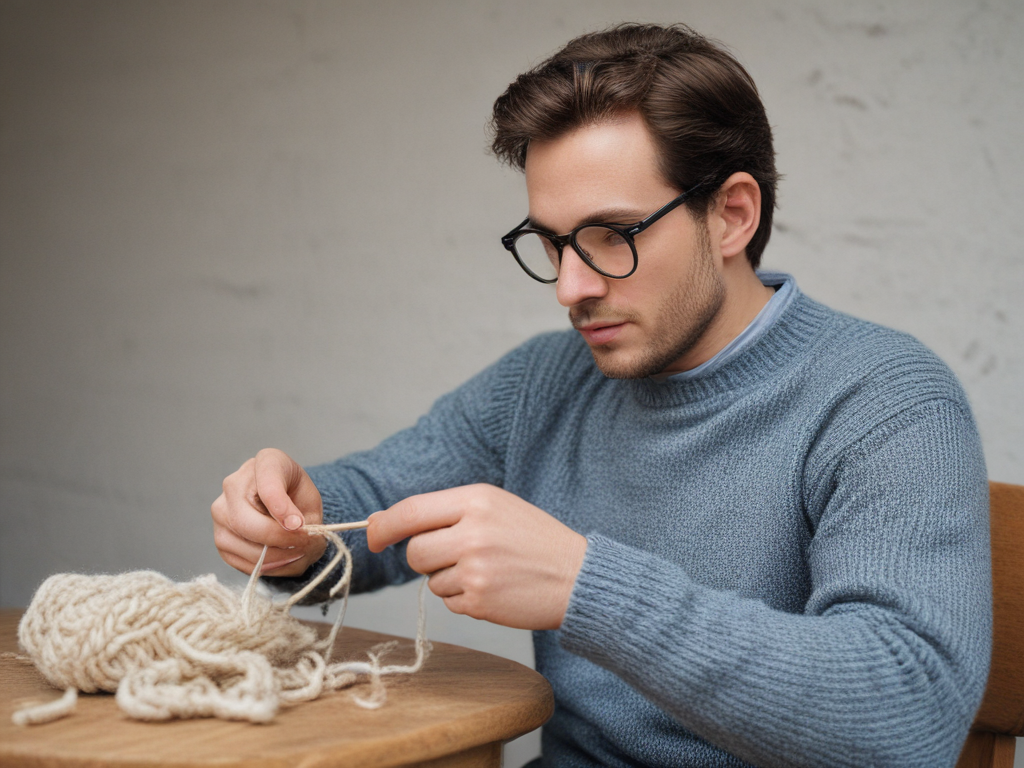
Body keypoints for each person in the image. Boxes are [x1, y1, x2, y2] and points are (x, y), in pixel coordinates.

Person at [211, 23, 991, 768]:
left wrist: (583, 587)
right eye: (551, 243)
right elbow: (363, 513)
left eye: (611, 235)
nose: (571, 287)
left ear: (732, 214)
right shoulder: (544, 382)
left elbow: (908, 719)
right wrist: (291, 524)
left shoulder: (887, 401)